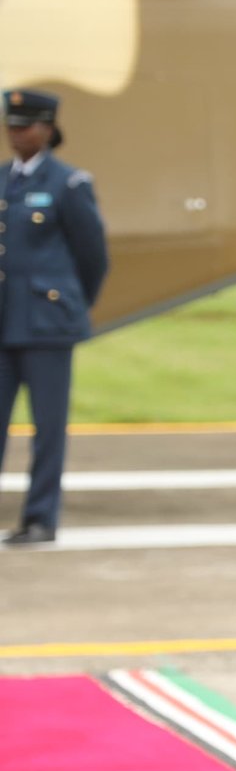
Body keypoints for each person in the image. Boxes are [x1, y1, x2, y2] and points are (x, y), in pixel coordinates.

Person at [1, 88, 107, 547]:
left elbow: (92, 257)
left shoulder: (68, 184)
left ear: (46, 129)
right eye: (11, 125)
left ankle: (41, 517)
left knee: (47, 429)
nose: (15, 134)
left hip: (46, 325)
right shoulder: (4, 181)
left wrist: (68, 303)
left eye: (24, 126)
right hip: (4, 323)